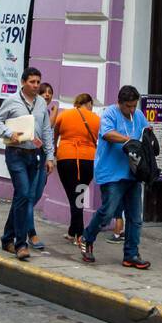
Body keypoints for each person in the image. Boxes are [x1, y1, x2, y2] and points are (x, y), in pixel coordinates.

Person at [79, 85, 150, 269]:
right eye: (128, 106)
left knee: (135, 217)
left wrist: (149, 136)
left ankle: (131, 254)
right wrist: (128, 140)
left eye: (134, 105)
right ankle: (87, 237)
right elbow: (108, 134)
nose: (132, 110)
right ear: (119, 103)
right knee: (108, 213)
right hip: (111, 173)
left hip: (133, 173)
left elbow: (145, 131)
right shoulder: (110, 113)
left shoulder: (138, 116)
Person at [0, 66, 55, 261]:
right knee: (25, 194)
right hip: (15, 154)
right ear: (23, 82)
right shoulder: (12, 101)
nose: (36, 86)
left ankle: (6, 238)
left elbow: (46, 130)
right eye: (32, 82)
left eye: (38, 82)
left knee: (22, 197)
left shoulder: (41, 105)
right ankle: (21, 244)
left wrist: (50, 156)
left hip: (34, 155)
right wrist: (9, 133)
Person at [53, 92, 100, 243]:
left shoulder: (64, 115)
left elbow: (54, 133)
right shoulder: (97, 119)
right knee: (78, 194)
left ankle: (79, 233)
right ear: (89, 103)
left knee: (74, 196)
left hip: (66, 158)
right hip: (88, 160)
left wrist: (53, 150)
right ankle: (73, 231)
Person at [26, 81, 58, 251]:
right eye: (44, 92)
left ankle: (21, 220)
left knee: (36, 194)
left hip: (44, 156)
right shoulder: (36, 110)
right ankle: (31, 233)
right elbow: (47, 128)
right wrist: (55, 113)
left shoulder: (44, 110)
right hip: (31, 155)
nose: (47, 94)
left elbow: (48, 135)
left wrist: (50, 157)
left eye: (50, 92)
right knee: (30, 197)